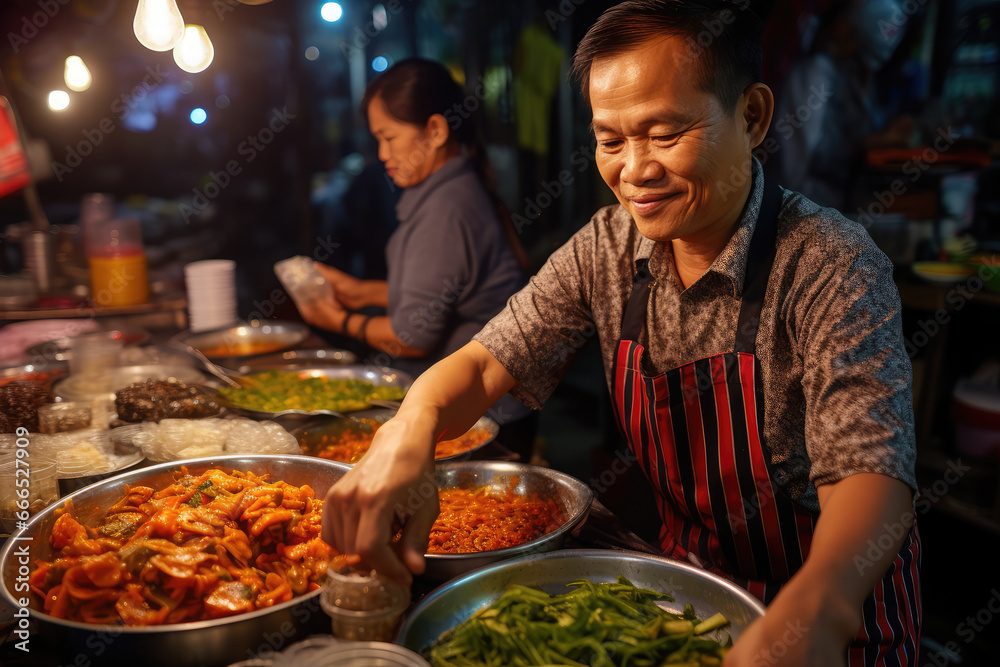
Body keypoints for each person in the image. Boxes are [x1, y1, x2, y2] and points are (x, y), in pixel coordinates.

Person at [322, 2, 920, 665]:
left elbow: (872, 474)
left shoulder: (830, 262)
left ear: (751, 116)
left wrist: (822, 606)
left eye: (664, 134)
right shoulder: (608, 247)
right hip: (682, 607)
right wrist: (411, 426)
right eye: (611, 139)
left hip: (836, 624)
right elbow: (487, 364)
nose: (634, 169)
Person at [297, 58, 536, 452]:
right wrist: (361, 291)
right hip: (481, 409)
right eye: (377, 140)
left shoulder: (445, 210)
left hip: (482, 423)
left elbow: (412, 336)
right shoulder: (449, 189)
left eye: (389, 137)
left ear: (436, 130)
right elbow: (443, 293)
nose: (382, 153)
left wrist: (338, 319)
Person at [772, 0, 916, 212]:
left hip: (841, 213)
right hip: (806, 212)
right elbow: (797, 166)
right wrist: (868, 144)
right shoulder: (818, 73)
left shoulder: (859, 79)